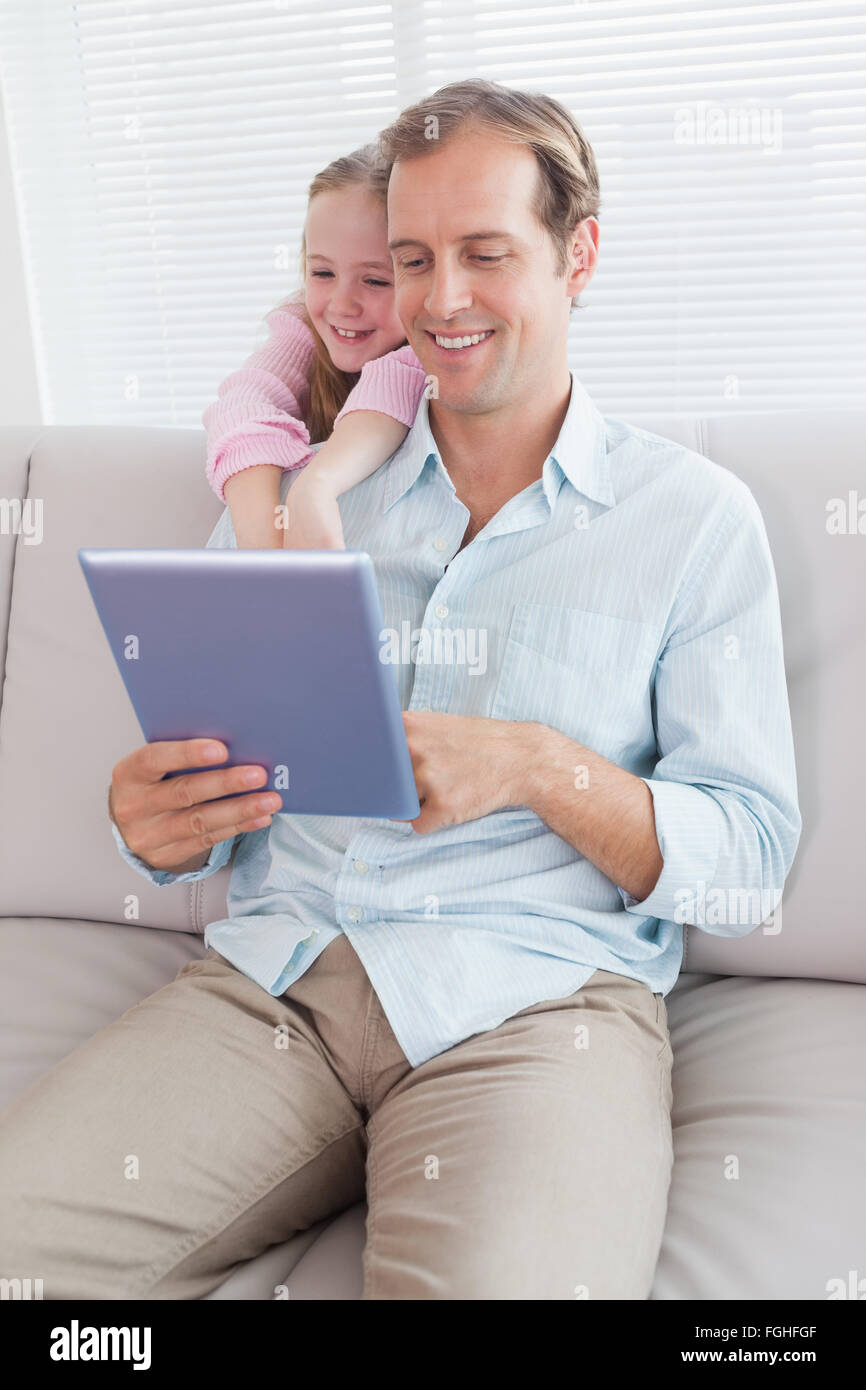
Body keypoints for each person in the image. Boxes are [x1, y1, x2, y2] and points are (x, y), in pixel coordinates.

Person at [0, 78, 801, 1300]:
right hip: (278, 981)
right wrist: (154, 822)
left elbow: (746, 861)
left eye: (485, 253)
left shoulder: (688, 521)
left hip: (535, 1009)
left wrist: (541, 767)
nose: (440, 301)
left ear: (576, 255)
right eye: (412, 258)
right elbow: (194, 782)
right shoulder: (291, 496)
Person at [204, 142, 429, 552]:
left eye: (375, 280)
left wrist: (315, 488)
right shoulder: (303, 325)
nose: (342, 304)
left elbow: (391, 384)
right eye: (322, 272)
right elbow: (242, 404)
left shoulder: (434, 341)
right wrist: (263, 546)